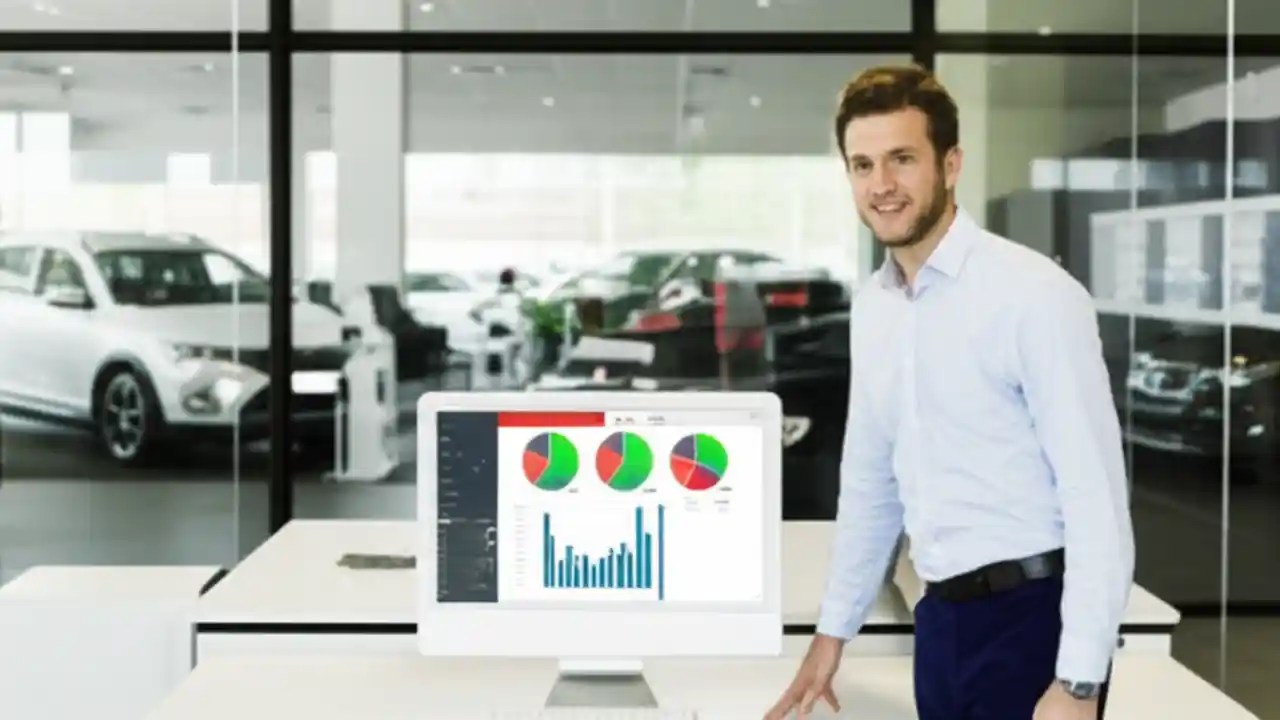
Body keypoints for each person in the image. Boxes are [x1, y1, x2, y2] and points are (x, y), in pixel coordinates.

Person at [765, 64, 1135, 720]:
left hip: (1034, 621)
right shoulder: (874, 308)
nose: (881, 185)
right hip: (938, 624)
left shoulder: (1034, 296)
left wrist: (1079, 683)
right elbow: (870, 483)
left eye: (902, 159)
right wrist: (832, 633)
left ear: (951, 163)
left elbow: (1095, 499)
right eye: (862, 164)